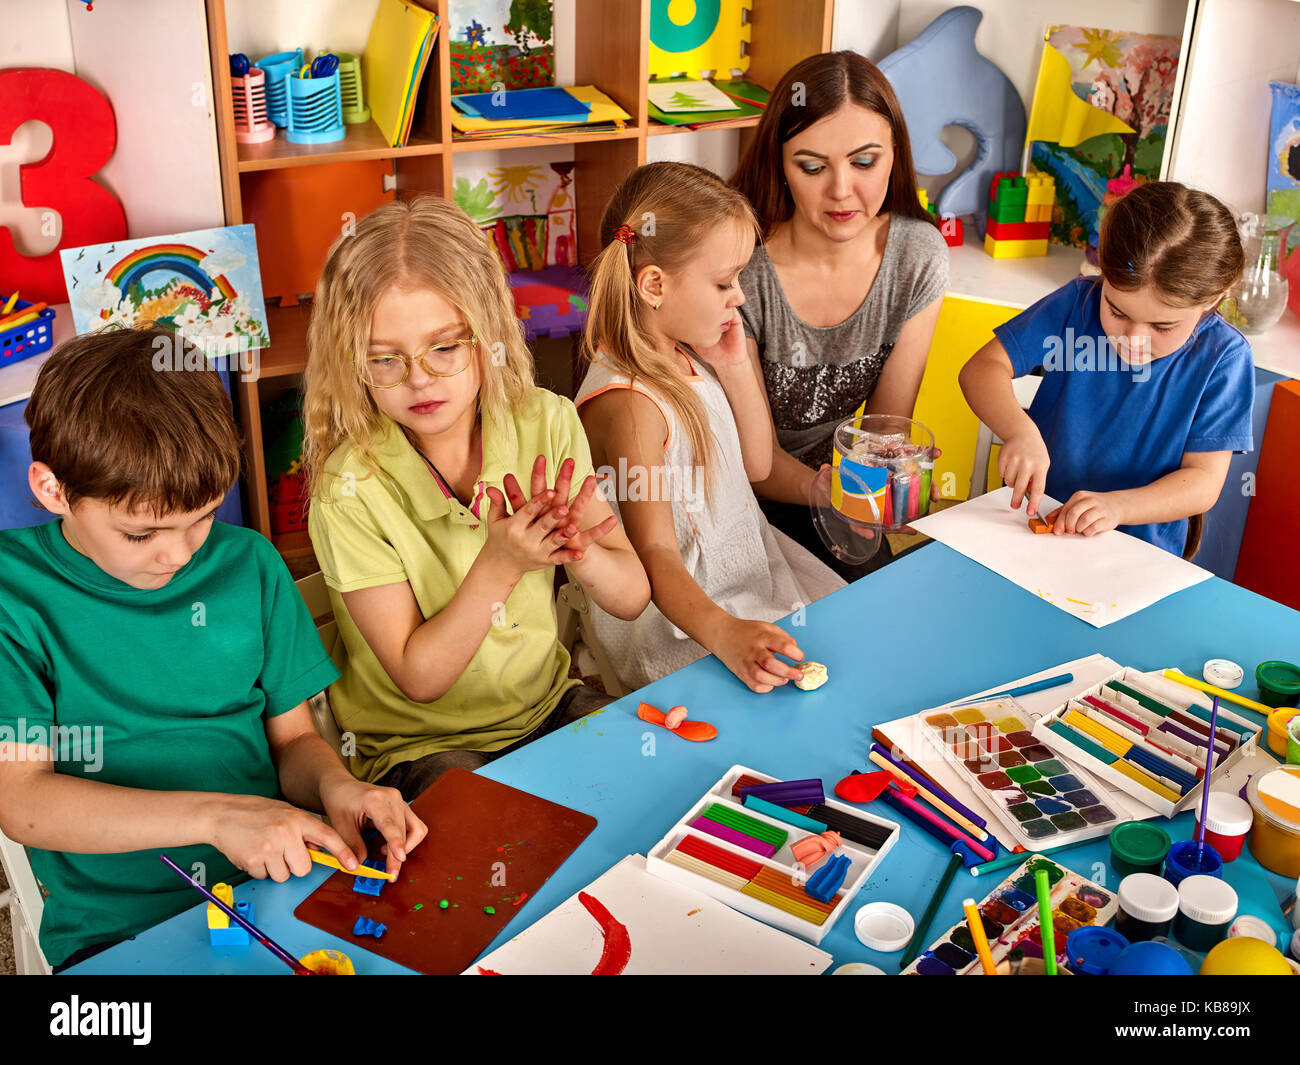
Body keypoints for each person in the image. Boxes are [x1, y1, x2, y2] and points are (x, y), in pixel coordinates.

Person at [0, 327, 422, 971]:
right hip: (121, 930)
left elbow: (294, 744)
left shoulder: (249, 564)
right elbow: (23, 803)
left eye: (202, 517)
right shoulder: (13, 594)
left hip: (280, 883)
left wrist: (338, 784)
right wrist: (219, 818)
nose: (180, 554)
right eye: (142, 534)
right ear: (53, 489)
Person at [303, 198, 649, 799]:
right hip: (422, 746)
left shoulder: (548, 420)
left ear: (487, 332)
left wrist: (578, 549)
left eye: (445, 348)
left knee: (648, 786)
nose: (420, 378)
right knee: (494, 854)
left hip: (545, 707)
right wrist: (502, 564)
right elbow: (420, 678)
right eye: (384, 358)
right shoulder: (348, 486)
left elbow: (632, 598)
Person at [576, 162, 844, 694]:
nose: (739, 296)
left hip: (747, 578)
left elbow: (758, 466)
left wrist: (735, 366)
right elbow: (656, 557)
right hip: (687, 623)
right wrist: (725, 632)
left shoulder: (683, 356)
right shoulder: (630, 405)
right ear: (654, 284)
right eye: (723, 281)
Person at [731, 50, 949, 580]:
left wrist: (891, 469)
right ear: (779, 165)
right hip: (731, 486)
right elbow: (748, 461)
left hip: (832, 495)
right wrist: (826, 489)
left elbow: (883, 430)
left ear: (895, 154)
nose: (841, 190)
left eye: (865, 161)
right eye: (811, 166)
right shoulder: (739, 261)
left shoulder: (916, 258)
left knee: (880, 611)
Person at [959, 181, 1253, 556]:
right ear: (1104, 272)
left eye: (1163, 327)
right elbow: (982, 368)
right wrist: (1018, 429)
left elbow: (1203, 483)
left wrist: (1117, 507)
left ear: (1213, 299)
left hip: (1136, 553)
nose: (1134, 339)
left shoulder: (1224, 357)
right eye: (1117, 311)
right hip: (1033, 529)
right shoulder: (1076, 304)